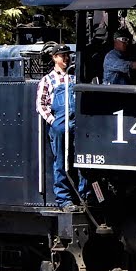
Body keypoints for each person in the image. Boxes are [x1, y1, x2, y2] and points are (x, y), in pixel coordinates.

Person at [36, 45, 88, 207]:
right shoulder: (47, 79)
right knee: (60, 162)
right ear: (54, 58)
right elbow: (41, 104)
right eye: (62, 55)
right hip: (60, 124)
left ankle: (84, 195)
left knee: (81, 160)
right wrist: (53, 122)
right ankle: (63, 199)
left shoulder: (74, 78)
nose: (66, 58)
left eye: (67, 55)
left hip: (77, 124)